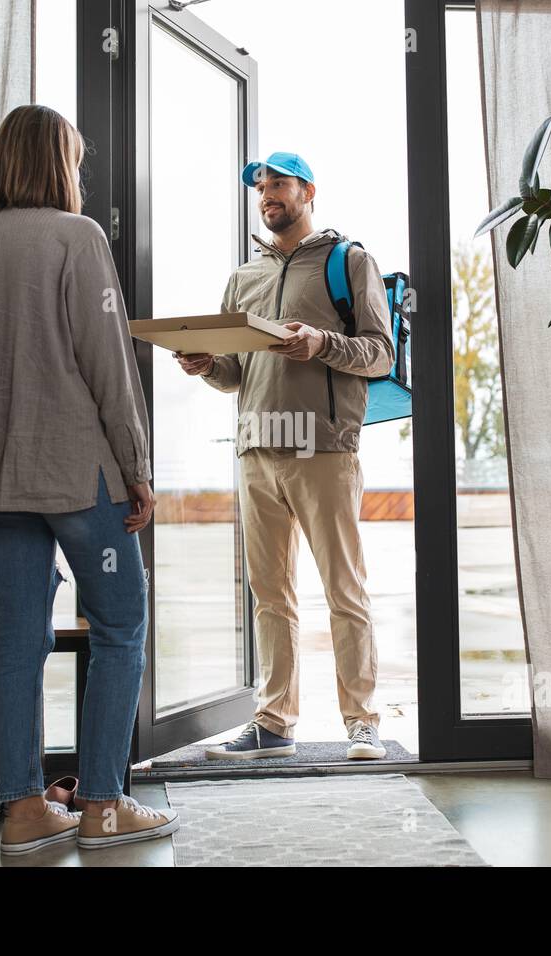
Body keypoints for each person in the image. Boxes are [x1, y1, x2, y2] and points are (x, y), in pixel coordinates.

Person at [0, 104, 178, 854]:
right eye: (75, 159)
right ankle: (104, 804)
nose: (80, 172)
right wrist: (138, 470)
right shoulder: (78, 239)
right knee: (119, 629)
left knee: (16, 639)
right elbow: (108, 367)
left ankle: (22, 810)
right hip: (82, 478)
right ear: (56, 163)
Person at [176, 151, 394, 761]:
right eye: (261, 186)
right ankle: (274, 724)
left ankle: (362, 722)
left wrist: (321, 343)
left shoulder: (348, 261)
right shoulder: (244, 276)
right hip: (255, 450)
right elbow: (234, 373)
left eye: (279, 184)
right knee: (270, 595)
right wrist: (205, 365)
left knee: (343, 590)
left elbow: (381, 354)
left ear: (309, 191)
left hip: (323, 447)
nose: (267, 193)